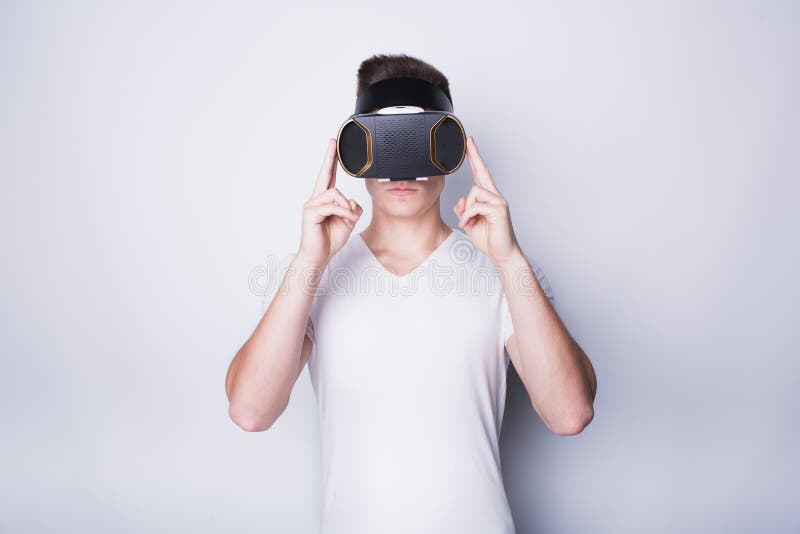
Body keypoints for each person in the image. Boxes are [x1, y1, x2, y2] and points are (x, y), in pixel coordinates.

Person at [224, 53, 597, 534]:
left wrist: (510, 259)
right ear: (356, 151)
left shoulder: (501, 271)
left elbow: (570, 414)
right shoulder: (313, 277)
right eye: (385, 142)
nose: (402, 165)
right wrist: (308, 260)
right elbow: (249, 411)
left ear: (451, 146)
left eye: (419, 142)